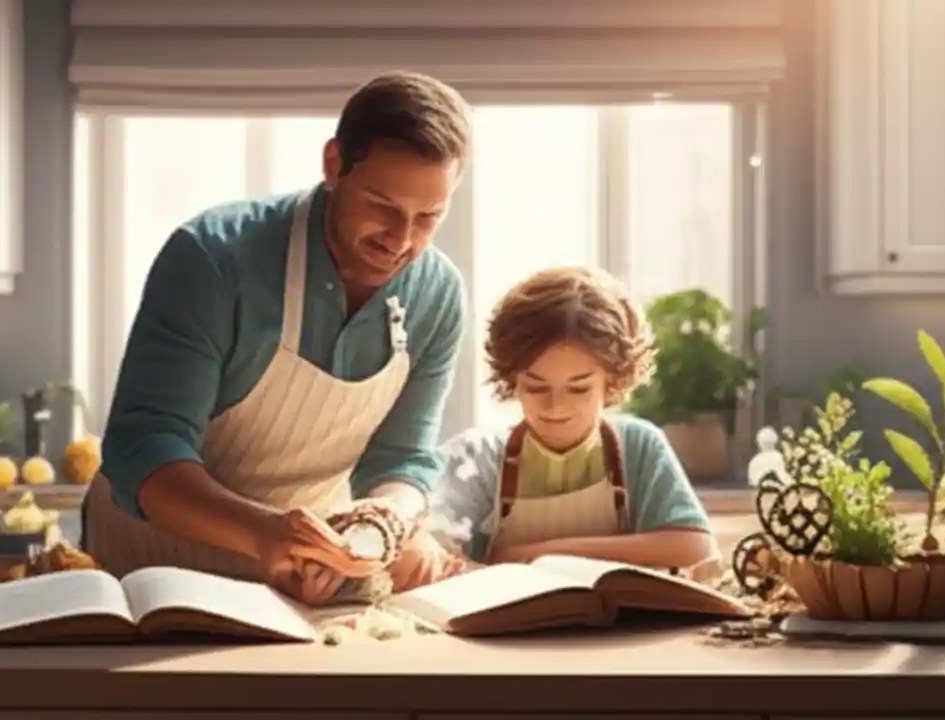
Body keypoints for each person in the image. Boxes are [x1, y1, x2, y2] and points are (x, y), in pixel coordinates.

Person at [82, 71, 471, 605]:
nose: (402, 241)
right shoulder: (214, 258)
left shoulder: (438, 294)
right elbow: (143, 448)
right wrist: (263, 533)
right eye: (382, 206)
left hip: (301, 579)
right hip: (150, 564)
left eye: (428, 218)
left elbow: (402, 460)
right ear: (333, 163)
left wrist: (386, 519)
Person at [392, 266, 719, 588]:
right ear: (512, 379)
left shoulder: (637, 446)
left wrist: (542, 553)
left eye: (579, 388)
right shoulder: (477, 457)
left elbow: (694, 547)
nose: (555, 407)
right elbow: (422, 547)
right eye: (536, 387)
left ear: (613, 381)